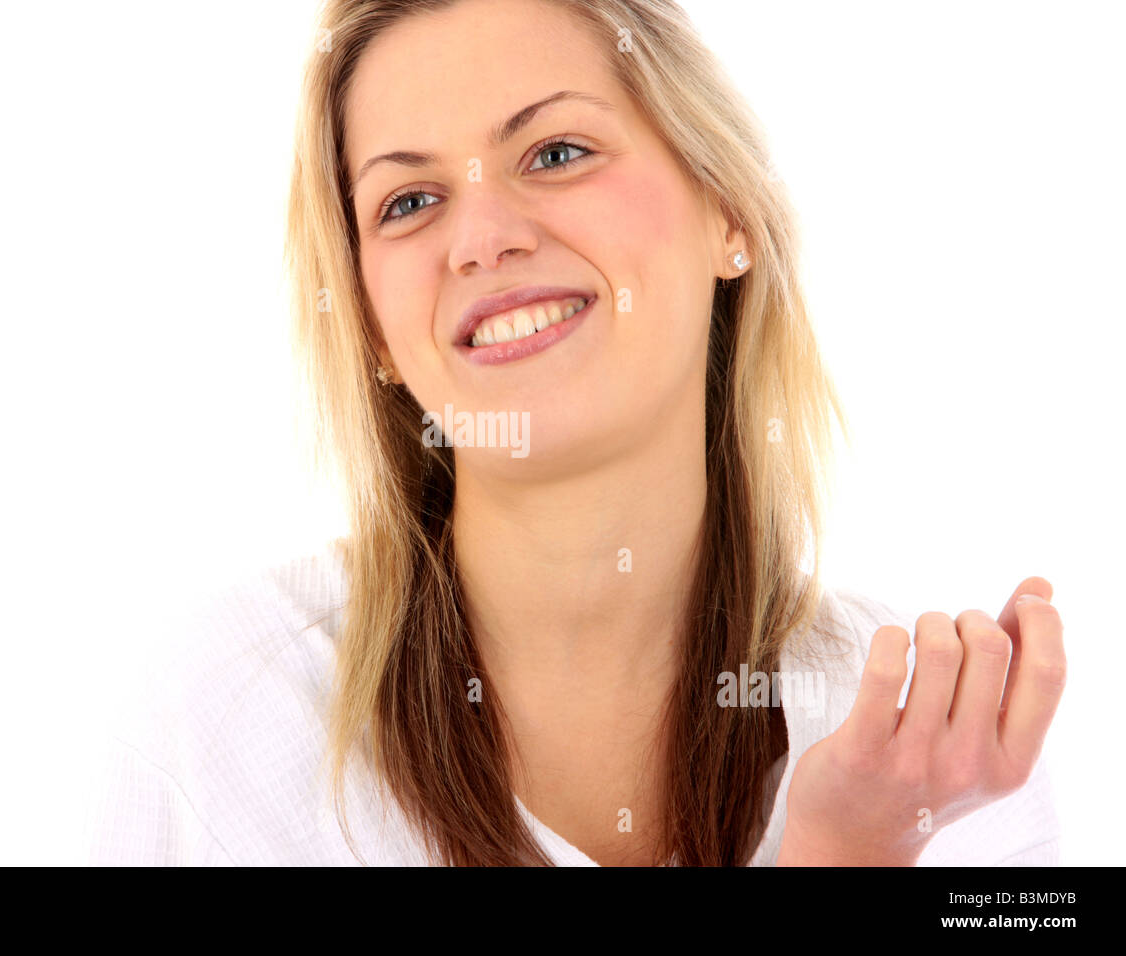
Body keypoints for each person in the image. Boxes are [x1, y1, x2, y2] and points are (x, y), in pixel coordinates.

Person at [86, 0, 1065, 866]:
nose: (481, 239)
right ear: (374, 325)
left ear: (726, 208)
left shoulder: (930, 744)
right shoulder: (221, 714)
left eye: (556, 152)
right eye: (409, 201)